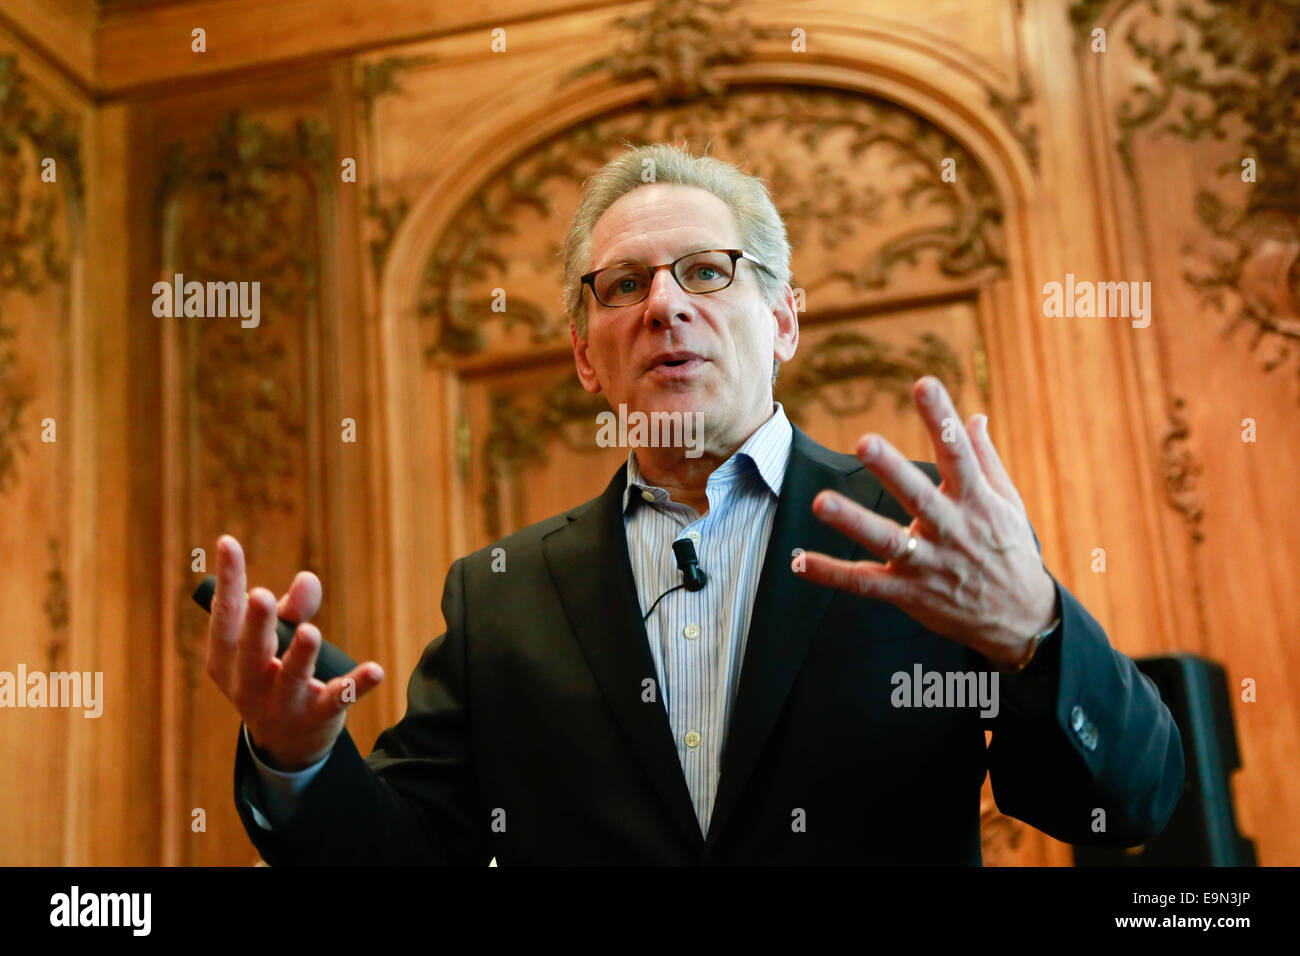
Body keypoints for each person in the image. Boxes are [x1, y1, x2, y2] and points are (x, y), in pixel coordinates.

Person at [207, 143, 1184, 864]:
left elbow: (1131, 802)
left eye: (706, 272)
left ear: (783, 318)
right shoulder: (499, 595)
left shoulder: (920, 538)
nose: (664, 305)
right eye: (623, 283)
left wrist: (1035, 631)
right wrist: (296, 755)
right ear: (587, 355)